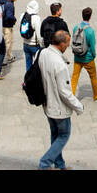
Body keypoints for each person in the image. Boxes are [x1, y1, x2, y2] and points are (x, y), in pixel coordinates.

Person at [37, 30, 83, 169]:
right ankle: (44, 163)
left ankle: (60, 164)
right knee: (63, 135)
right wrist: (79, 106)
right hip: (59, 108)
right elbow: (65, 92)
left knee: (55, 134)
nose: (68, 46)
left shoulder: (43, 53)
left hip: (47, 104)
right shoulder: (60, 65)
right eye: (67, 43)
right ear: (61, 43)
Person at [69, 7, 97, 101]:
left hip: (77, 57)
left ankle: (71, 97)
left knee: (74, 77)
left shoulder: (76, 28)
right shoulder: (90, 31)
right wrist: (94, 55)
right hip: (88, 58)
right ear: (90, 17)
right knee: (93, 77)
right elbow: (92, 46)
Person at [20, 0, 42, 70]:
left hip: (25, 44)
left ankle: (27, 80)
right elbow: (39, 35)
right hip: (34, 46)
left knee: (28, 65)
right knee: (37, 66)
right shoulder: (36, 18)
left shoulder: (23, 15)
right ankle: (36, 80)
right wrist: (42, 45)